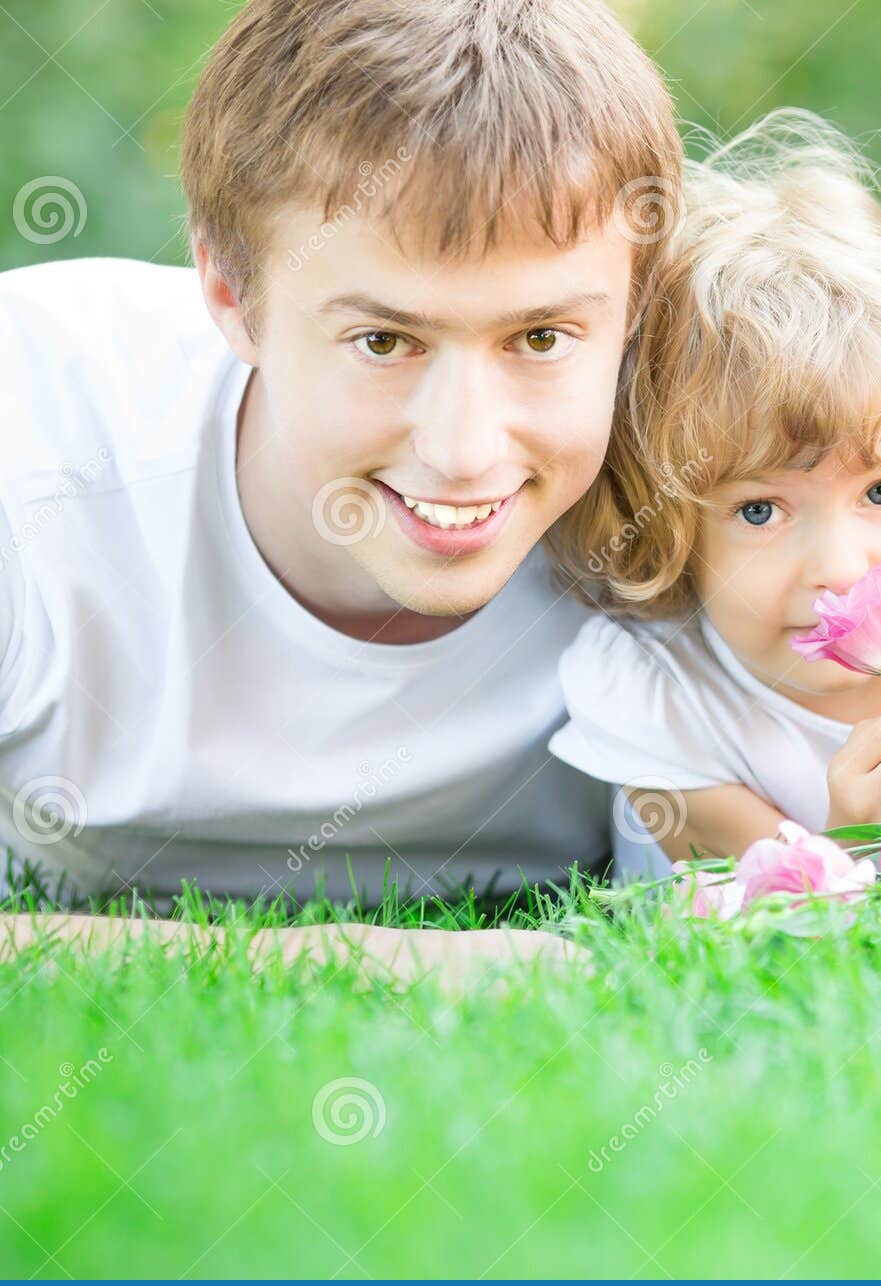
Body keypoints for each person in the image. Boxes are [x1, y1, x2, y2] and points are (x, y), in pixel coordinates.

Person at [0, 0, 680, 974]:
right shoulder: (32, 446)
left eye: (538, 338)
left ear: (637, 303)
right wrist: (347, 958)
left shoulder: (712, 491)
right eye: (383, 341)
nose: (461, 449)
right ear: (231, 296)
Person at [546, 117, 881, 873]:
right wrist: (853, 835)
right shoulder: (660, 691)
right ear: (673, 525)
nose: (839, 569)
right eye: (759, 511)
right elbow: (769, 914)